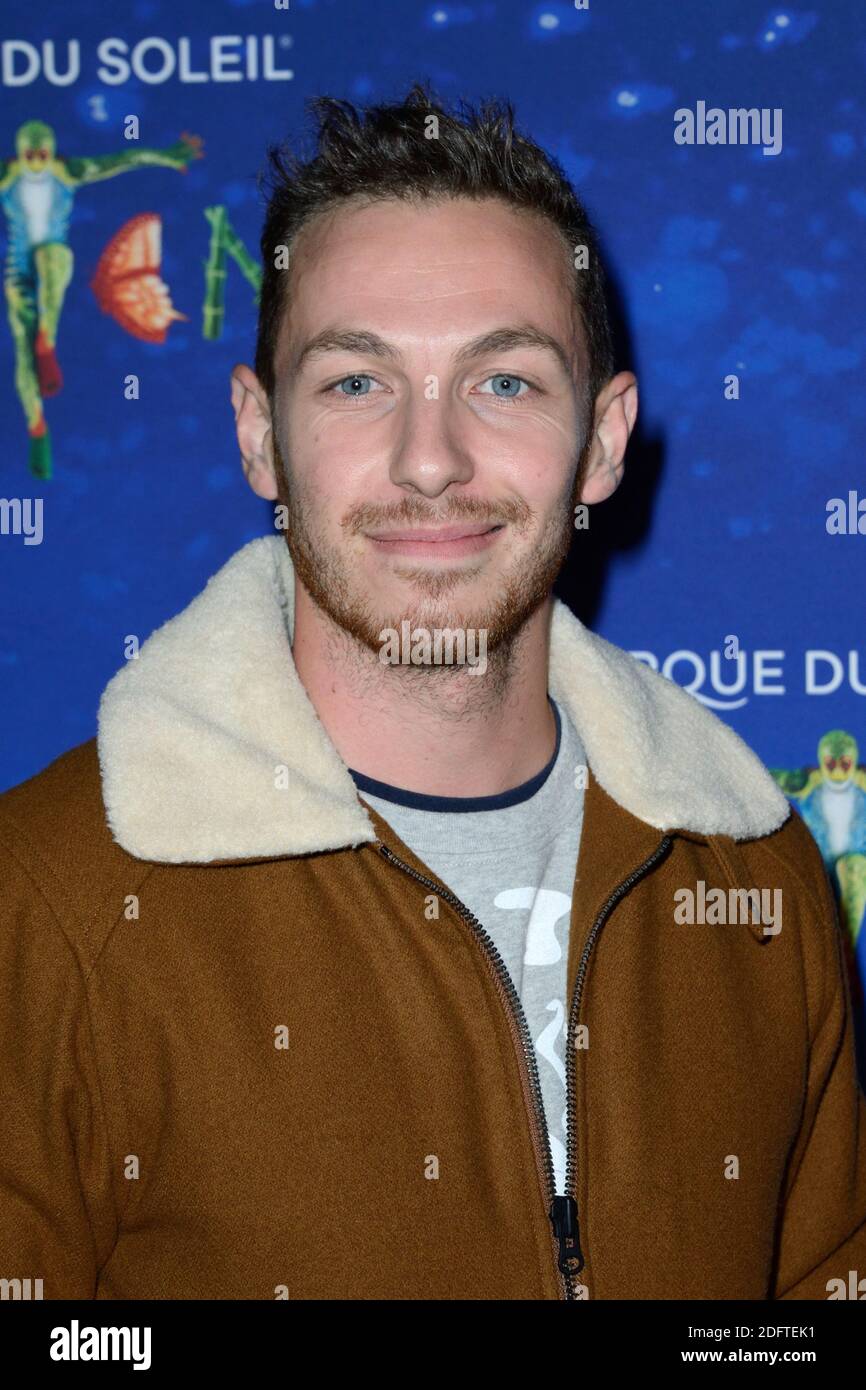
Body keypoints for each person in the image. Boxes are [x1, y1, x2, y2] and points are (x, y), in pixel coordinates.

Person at [1, 83, 864, 1301]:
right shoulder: (44, 903)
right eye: (356, 382)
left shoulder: (756, 881)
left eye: (501, 381)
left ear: (604, 440)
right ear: (259, 436)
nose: (429, 459)